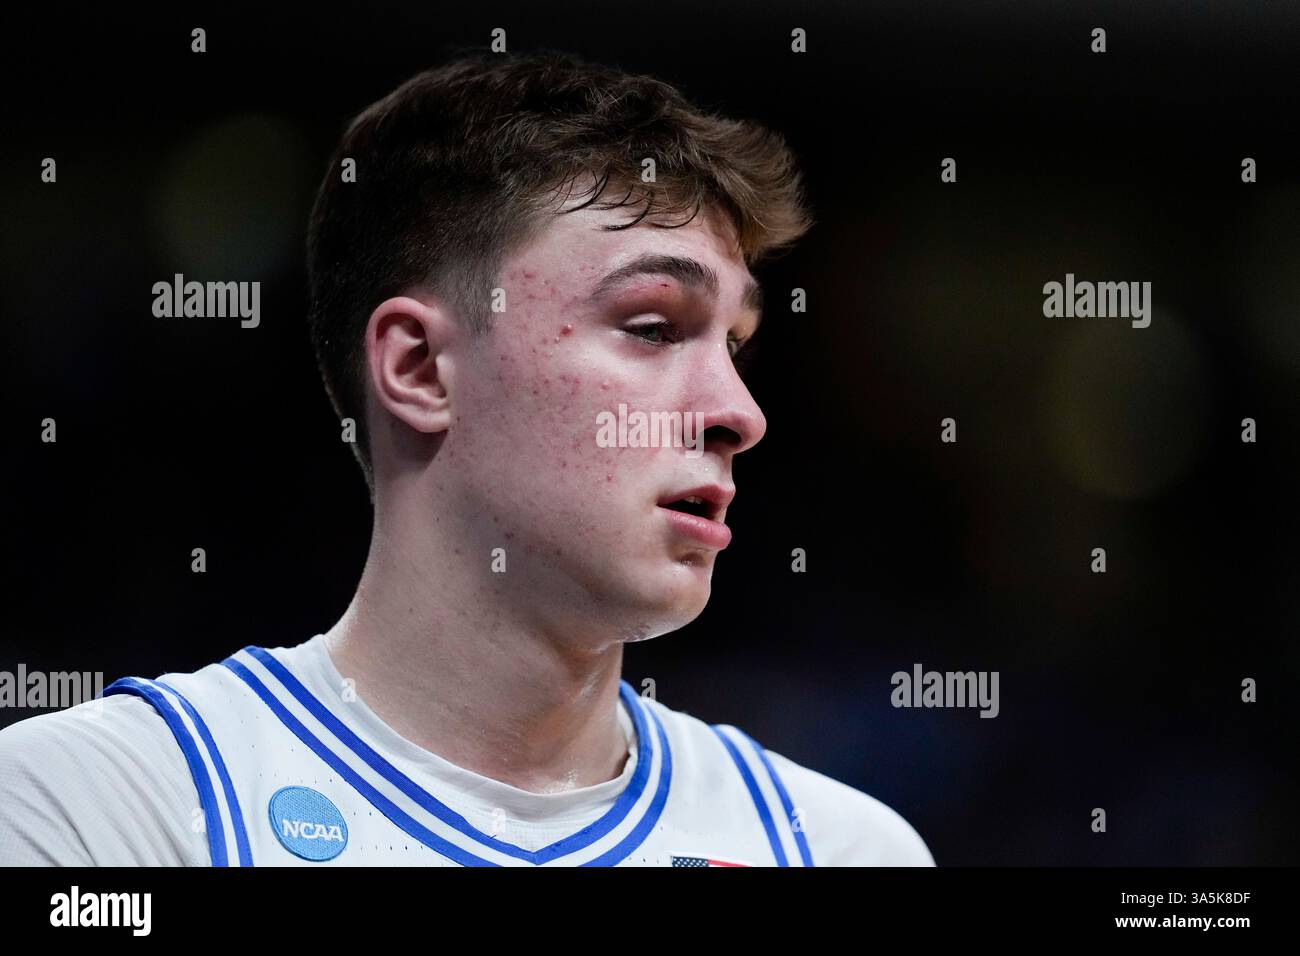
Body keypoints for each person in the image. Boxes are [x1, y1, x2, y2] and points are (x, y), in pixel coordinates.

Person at [0, 51, 933, 867]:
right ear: (419, 368)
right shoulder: (102, 806)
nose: (738, 413)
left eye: (735, 342)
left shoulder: (844, 848)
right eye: (652, 327)